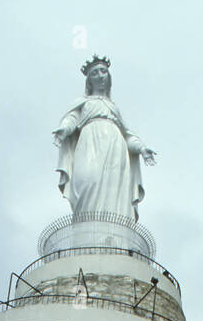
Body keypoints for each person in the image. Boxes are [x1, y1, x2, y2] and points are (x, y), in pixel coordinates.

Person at [53, 57, 156, 222]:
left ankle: (114, 232)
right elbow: (71, 119)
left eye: (103, 71)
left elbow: (127, 135)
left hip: (116, 148)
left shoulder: (113, 107)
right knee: (88, 181)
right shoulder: (83, 103)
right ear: (89, 80)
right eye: (95, 73)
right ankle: (86, 229)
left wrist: (142, 149)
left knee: (114, 192)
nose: (100, 76)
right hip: (89, 144)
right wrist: (63, 129)